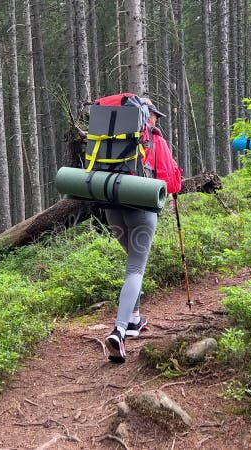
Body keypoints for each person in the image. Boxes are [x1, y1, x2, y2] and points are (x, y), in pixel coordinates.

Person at [104, 98, 182, 363]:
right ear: (145, 117)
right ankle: (119, 330)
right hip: (140, 208)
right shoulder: (154, 141)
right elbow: (170, 183)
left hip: (110, 206)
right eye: (154, 116)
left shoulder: (110, 140)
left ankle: (135, 319)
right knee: (135, 268)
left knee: (133, 263)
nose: (156, 120)